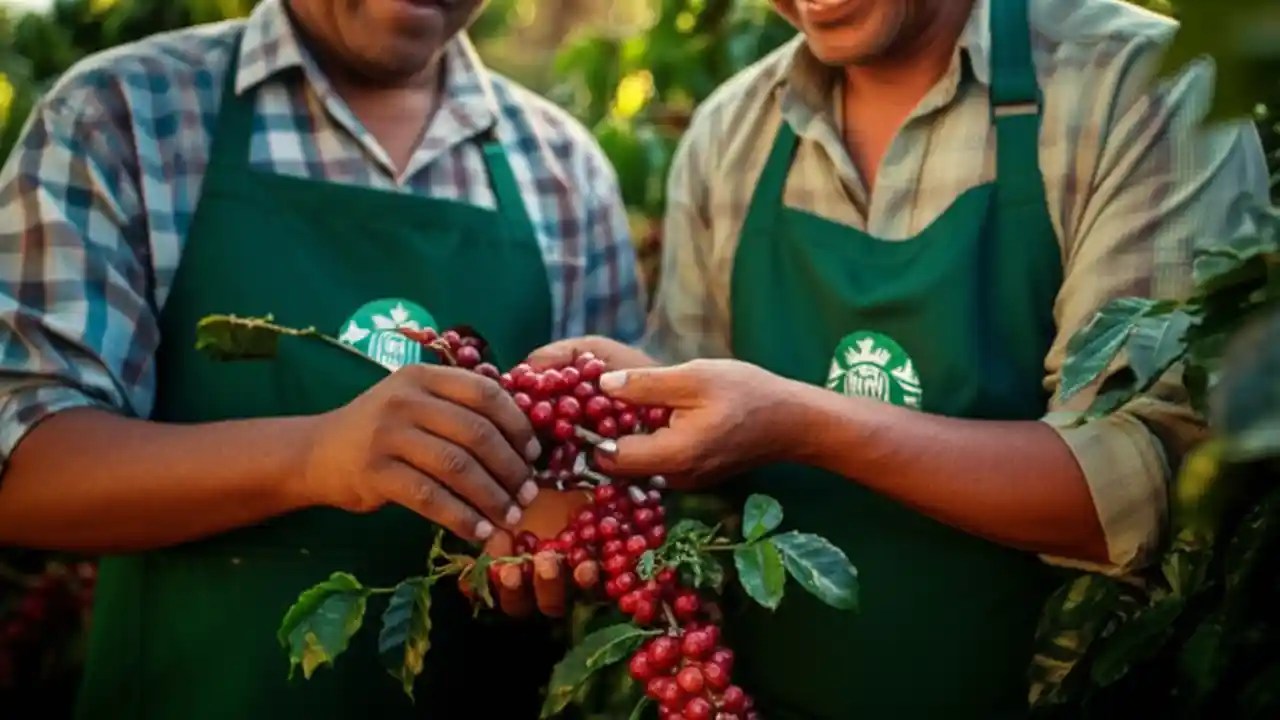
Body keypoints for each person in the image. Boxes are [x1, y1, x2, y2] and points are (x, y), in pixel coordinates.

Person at [514, 0, 1271, 717]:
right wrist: (601, 432)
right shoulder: (730, 133)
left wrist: (801, 424)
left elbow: (1148, 485)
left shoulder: (1137, 85)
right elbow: (691, 476)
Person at [0, 0, 644, 718]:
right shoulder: (125, 114)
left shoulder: (563, 168)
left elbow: (610, 477)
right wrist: (316, 456)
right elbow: (23, 470)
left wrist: (567, 529)